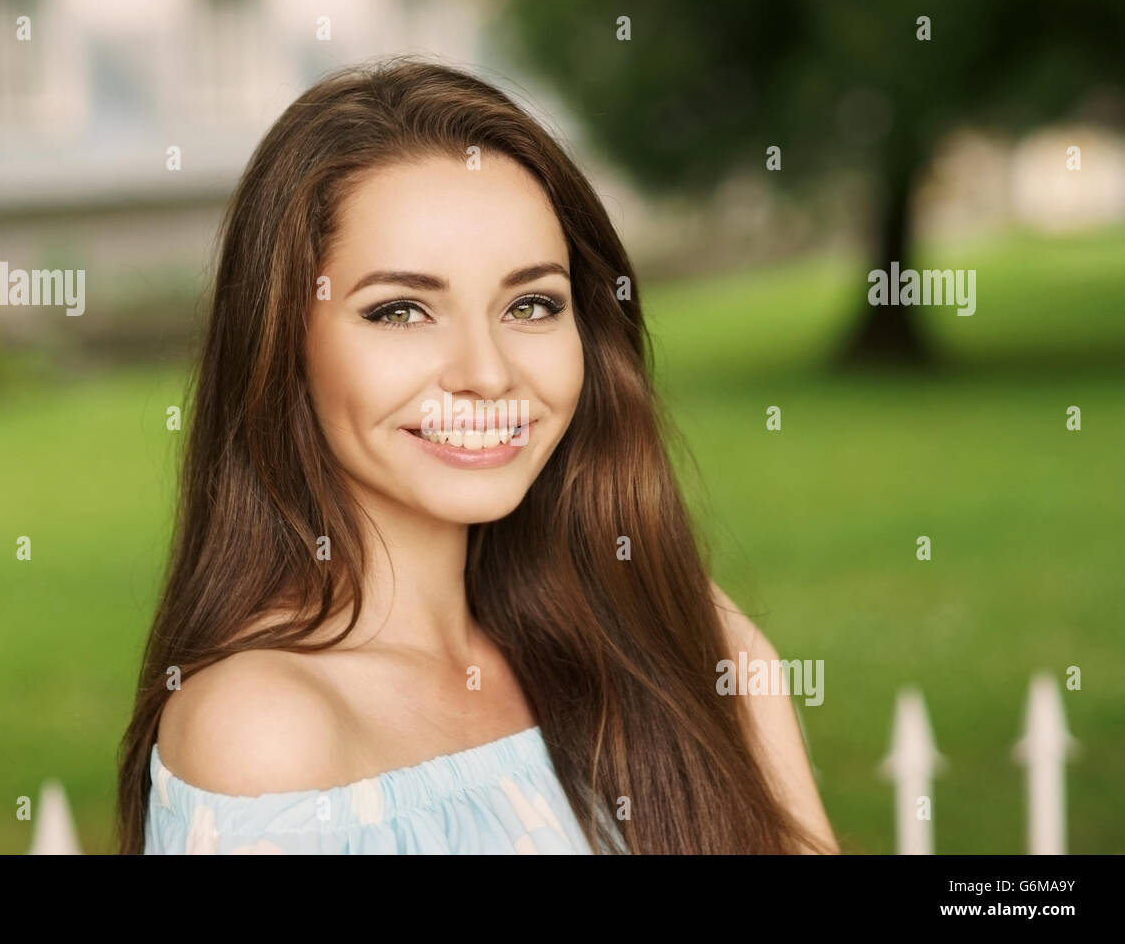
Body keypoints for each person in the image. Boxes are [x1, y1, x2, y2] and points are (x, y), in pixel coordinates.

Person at [117, 56, 839, 855]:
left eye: (530, 304)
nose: (487, 373)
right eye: (401, 311)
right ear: (284, 345)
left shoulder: (656, 634)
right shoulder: (267, 731)